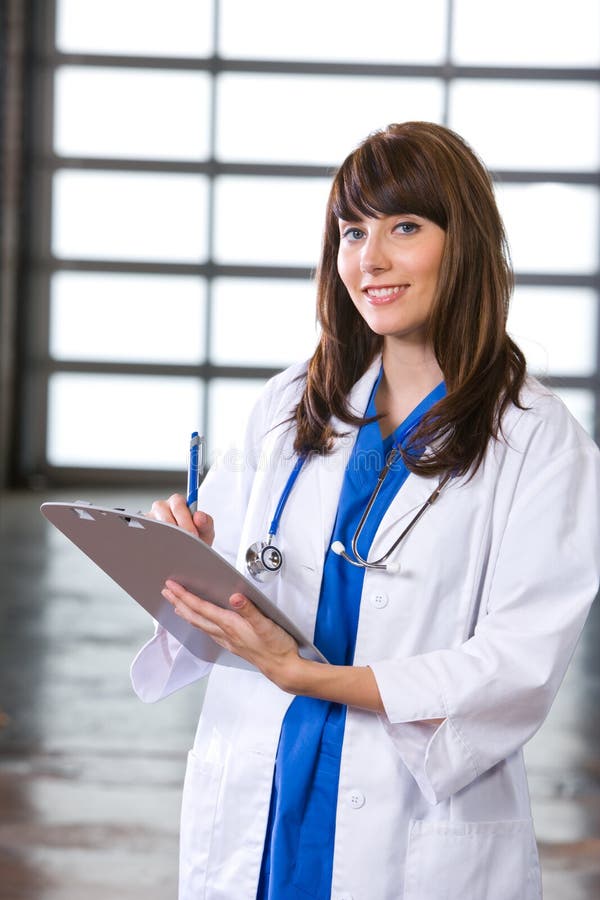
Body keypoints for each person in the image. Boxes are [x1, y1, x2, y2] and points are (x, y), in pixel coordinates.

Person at [131, 121, 600, 900]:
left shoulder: (538, 440)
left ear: (464, 244)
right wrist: (189, 561)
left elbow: (516, 667)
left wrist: (307, 676)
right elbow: (226, 605)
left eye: (404, 227)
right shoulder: (293, 402)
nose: (370, 259)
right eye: (352, 231)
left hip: (410, 817)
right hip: (266, 792)